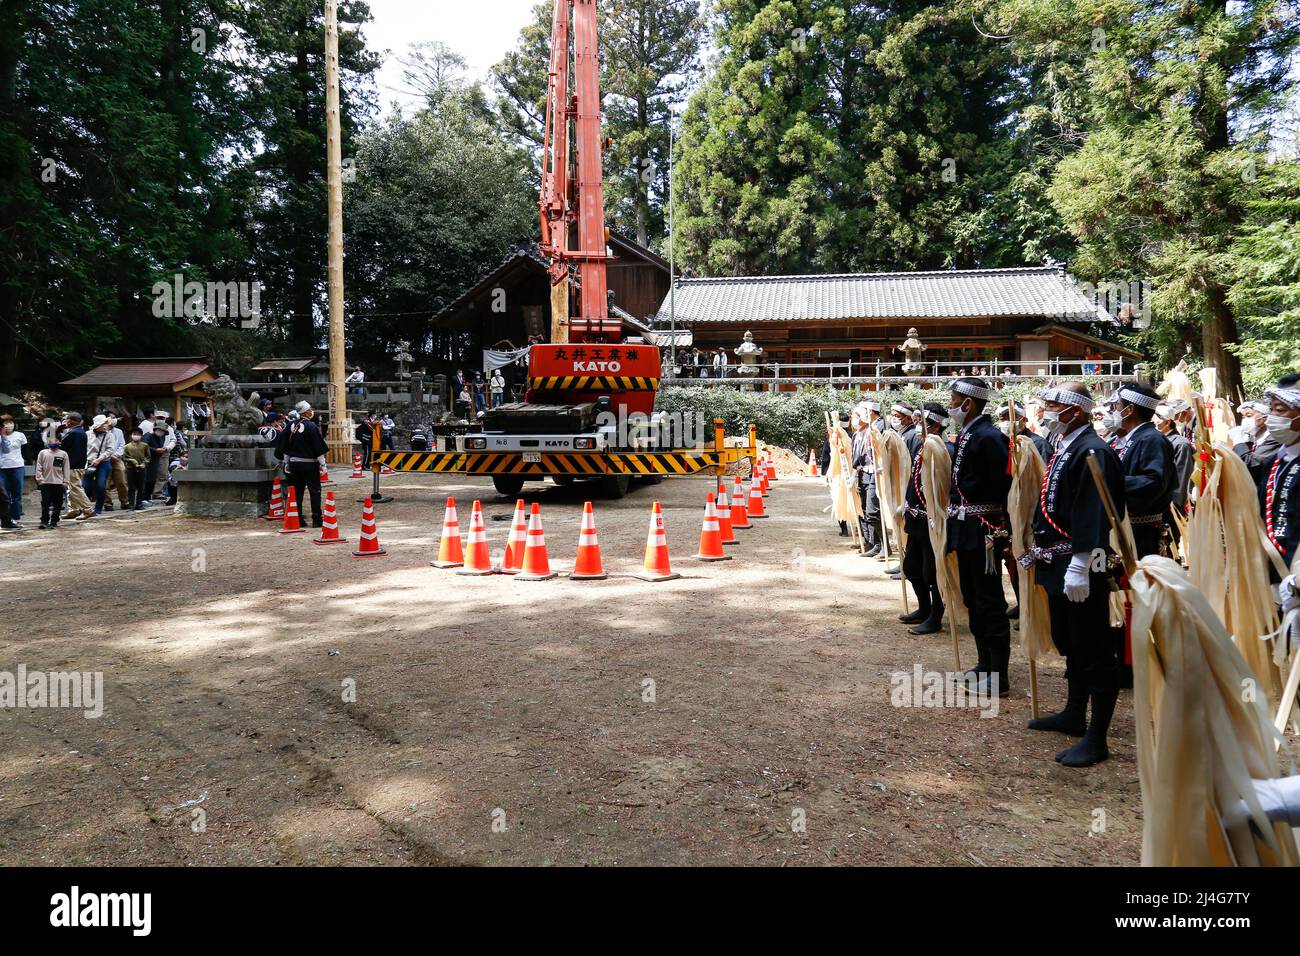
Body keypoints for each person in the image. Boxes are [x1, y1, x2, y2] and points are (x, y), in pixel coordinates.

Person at [1025, 381, 1126, 767]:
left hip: (1084, 561)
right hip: (1059, 559)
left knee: (1094, 645)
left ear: (1075, 411)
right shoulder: (1067, 445)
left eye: (1053, 405)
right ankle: (1073, 713)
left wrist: (1082, 563)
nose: (1046, 411)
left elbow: (1093, 512)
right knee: (1071, 640)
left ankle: (1097, 736)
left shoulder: (1094, 451)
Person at [946, 377, 1013, 696]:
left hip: (983, 528)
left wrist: (1003, 527)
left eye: (954, 400)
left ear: (968, 404)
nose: (951, 406)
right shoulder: (970, 432)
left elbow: (1003, 485)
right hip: (965, 527)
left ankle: (999, 674)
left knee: (989, 601)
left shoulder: (989, 436)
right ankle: (984, 663)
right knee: (973, 598)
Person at [900, 403, 950, 634]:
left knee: (933, 572)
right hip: (916, 519)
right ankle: (924, 608)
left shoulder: (945, 449)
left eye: (925, 423)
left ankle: (935, 616)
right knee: (911, 567)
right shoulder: (922, 447)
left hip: (933, 521)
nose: (920, 426)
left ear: (937, 425)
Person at [1259, 376, 1300, 568]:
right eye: (1272, 409)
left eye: (1281, 410)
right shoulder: (1273, 462)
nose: (1273, 416)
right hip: (1271, 568)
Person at [277, 401, 328, 527]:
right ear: (305, 412)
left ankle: (298, 518)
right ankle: (317, 519)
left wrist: (286, 462)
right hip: (310, 464)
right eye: (310, 409)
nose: (312, 411)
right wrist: (323, 464)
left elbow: (285, 446)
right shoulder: (311, 426)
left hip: (294, 464)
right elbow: (318, 447)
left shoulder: (290, 426)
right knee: (315, 491)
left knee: (297, 492)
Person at [850, 404, 880, 556]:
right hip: (860, 474)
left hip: (872, 473)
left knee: (872, 510)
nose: (853, 419)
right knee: (862, 509)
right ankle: (868, 540)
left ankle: (878, 543)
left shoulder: (872, 432)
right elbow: (855, 456)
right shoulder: (856, 434)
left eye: (856, 416)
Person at [1154, 403, 1194, 518]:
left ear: (1167, 422)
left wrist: (1176, 506)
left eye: (1158, 420)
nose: (1155, 423)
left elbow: (1182, 477)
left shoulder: (1181, 444)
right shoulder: (1158, 439)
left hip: (1171, 504)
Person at [59, 412, 93, 520]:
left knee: (75, 488)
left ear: (69, 421)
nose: (65, 422)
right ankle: (73, 509)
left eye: (66, 420)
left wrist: (56, 432)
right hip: (78, 464)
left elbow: (59, 446)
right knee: (71, 488)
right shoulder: (81, 432)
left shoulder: (73, 433)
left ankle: (87, 509)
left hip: (73, 464)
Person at [35, 435, 71, 529]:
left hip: (59, 483)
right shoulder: (43, 453)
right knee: (45, 503)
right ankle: (44, 521)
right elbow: (39, 467)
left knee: (58, 504)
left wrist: (66, 482)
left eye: (55, 440)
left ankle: (54, 521)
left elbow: (66, 469)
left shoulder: (63, 454)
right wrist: (40, 479)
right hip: (45, 483)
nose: (53, 442)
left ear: (59, 441)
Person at [82, 414, 115, 516]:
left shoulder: (109, 435)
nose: (105, 425)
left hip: (103, 462)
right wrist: (89, 460)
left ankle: (98, 508)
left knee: (101, 485)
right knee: (85, 486)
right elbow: (83, 449)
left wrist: (99, 459)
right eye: (103, 423)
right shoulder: (87, 434)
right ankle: (86, 508)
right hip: (89, 463)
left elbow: (110, 450)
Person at [0, 414, 28, 527]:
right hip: (2, 467)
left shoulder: (20, 435)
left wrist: (27, 461)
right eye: (5, 423)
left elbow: (26, 450)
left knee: (17, 493)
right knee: (4, 495)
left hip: (17, 466)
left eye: (11, 422)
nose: (8, 425)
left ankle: (14, 517)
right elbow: (6, 450)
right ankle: (5, 517)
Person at [103, 415, 130, 512]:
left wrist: (117, 455)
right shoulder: (100, 431)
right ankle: (108, 503)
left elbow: (122, 445)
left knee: (122, 481)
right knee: (105, 483)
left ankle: (125, 502)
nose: (113, 419)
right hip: (104, 459)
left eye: (114, 417)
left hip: (117, 459)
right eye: (110, 417)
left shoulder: (118, 431)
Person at [123, 427, 150, 510]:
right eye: (134, 434)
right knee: (131, 487)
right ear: (131, 435)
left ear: (141, 435)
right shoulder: (127, 446)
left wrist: (144, 463)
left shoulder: (145, 445)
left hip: (142, 469)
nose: (136, 436)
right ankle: (131, 504)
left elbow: (148, 457)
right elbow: (125, 458)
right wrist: (132, 461)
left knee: (141, 487)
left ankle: (139, 504)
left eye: (138, 434)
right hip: (131, 469)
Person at [143, 417, 168, 504]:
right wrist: (155, 450)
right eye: (159, 430)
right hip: (146, 460)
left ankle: (148, 496)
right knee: (146, 479)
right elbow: (144, 447)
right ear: (156, 429)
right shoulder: (147, 436)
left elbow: (161, 445)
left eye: (162, 431)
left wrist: (162, 450)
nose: (161, 432)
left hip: (156, 459)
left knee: (152, 479)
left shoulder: (162, 437)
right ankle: (143, 498)